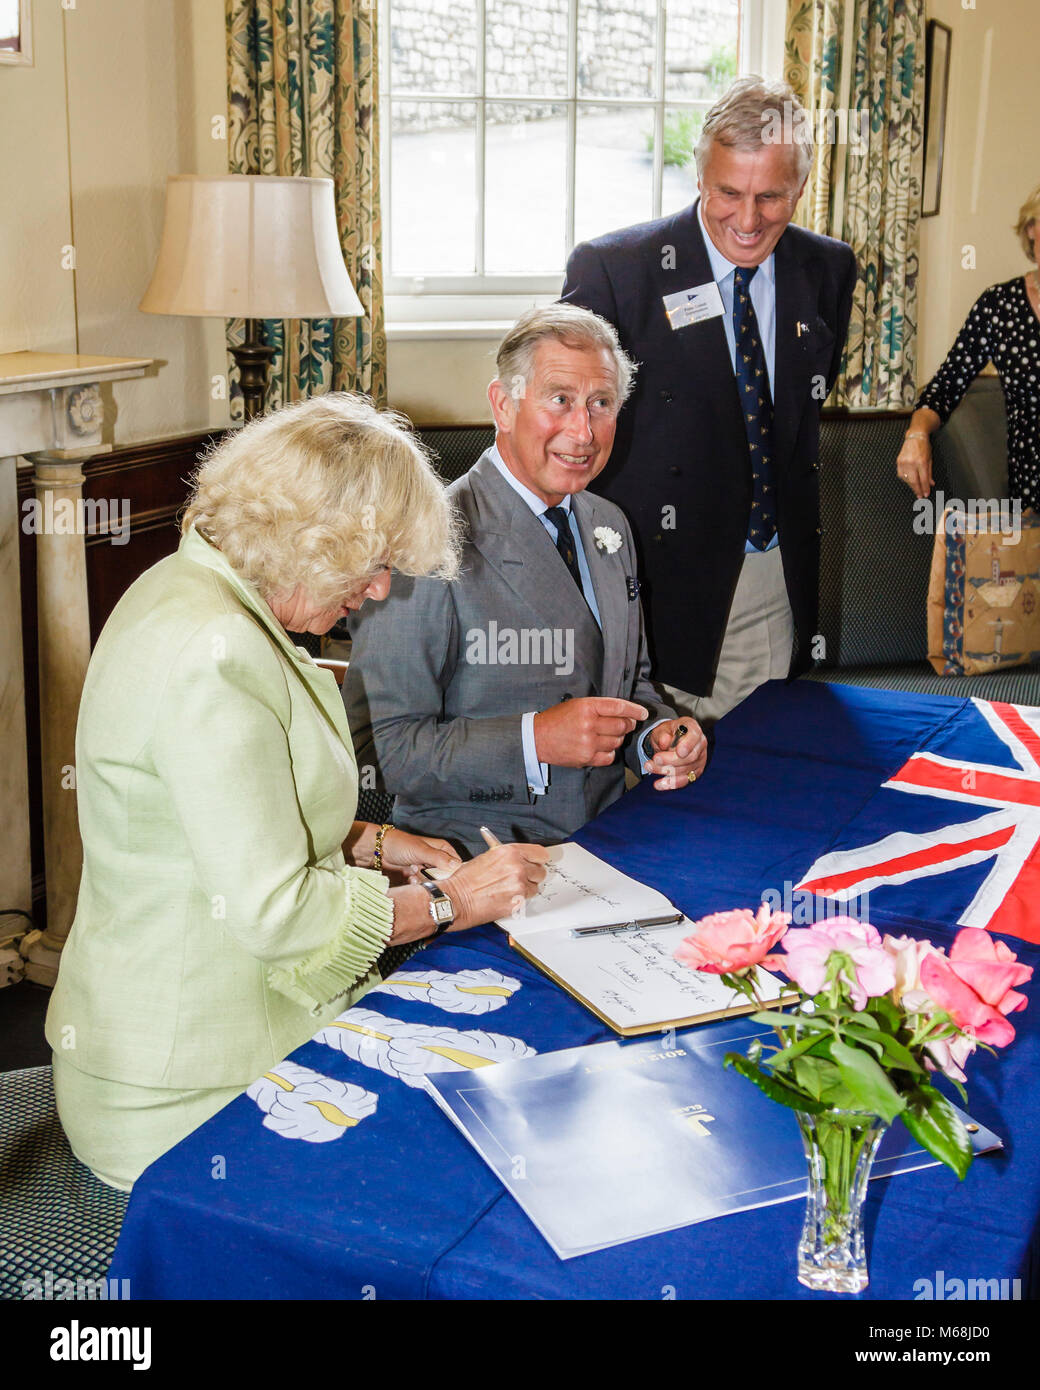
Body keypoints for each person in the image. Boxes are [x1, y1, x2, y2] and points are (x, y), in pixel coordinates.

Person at [45, 394, 549, 1191]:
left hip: (228, 1032)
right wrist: (453, 903)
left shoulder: (193, 590)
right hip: (186, 1091)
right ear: (310, 542)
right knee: (467, 1169)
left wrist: (378, 843)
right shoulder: (213, 652)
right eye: (372, 562)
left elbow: (220, 818)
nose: (381, 590)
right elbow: (276, 909)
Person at [343, 305, 707, 857]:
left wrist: (657, 737)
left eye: (601, 404)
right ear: (502, 404)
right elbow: (382, 752)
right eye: (559, 399)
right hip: (475, 856)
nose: (582, 431)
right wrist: (533, 740)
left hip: (610, 837)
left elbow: (629, 687)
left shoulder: (610, 525)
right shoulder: (423, 543)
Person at [561, 76, 857, 725]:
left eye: (770, 197)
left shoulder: (828, 268)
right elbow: (564, 430)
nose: (747, 221)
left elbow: (802, 406)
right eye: (728, 193)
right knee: (651, 792)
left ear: (800, 188)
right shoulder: (616, 271)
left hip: (768, 576)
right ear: (700, 177)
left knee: (761, 776)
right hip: (649, 584)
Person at [897, 184, 1040, 508]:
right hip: (1031, 508)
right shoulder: (1000, 306)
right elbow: (945, 386)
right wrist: (916, 435)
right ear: (1031, 229)